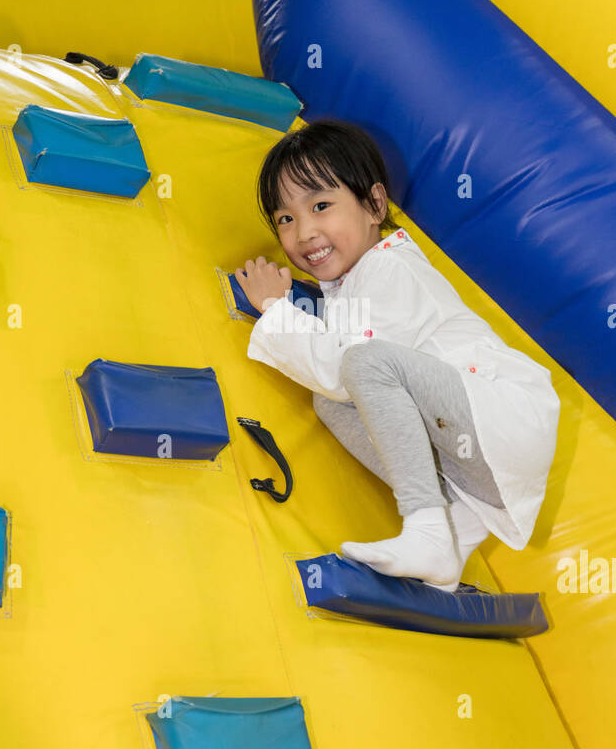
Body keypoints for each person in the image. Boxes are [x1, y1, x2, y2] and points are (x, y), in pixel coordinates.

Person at [234, 118, 560, 592]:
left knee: (364, 364)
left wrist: (275, 309)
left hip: (501, 414)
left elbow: (342, 365)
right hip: (474, 448)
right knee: (334, 403)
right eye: (285, 219)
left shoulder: (389, 265)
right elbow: (340, 384)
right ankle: (452, 532)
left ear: (374, 205)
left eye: (321, 205)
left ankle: (426, 532)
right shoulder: (351, 285)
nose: (304, 231)